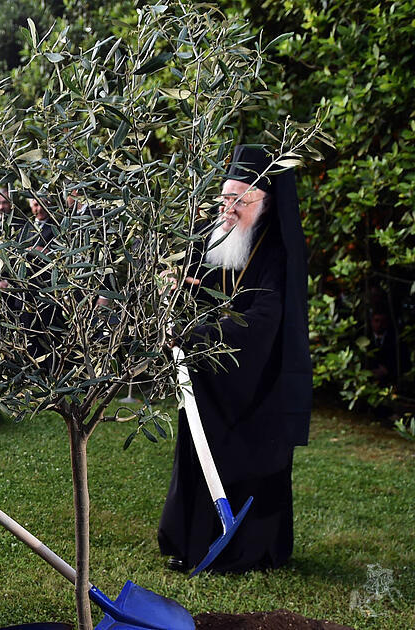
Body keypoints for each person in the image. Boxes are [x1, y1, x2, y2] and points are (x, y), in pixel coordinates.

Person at [159, 145, 312, 574]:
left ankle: (248, 552)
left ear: (263, 203)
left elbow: (264, 321)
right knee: (198, 455)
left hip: (258, 384)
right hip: (211, 379)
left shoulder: (276, 252)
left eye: (240, 200)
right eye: (225, 198)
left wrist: (198, 334)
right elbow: (193, 281)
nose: (229, 208)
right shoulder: (218, 235)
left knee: (249, 465)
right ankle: (189, 542)